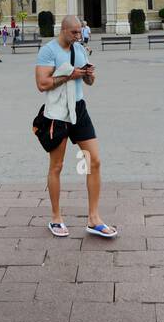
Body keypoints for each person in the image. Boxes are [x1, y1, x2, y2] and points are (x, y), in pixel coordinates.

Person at [35, 16, 114, 239]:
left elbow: (89, 83)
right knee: (57, 166)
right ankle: (56, 217)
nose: (79, 37)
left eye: (80, 32)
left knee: (94, 161)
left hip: (78, 109)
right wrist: (69, 75)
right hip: (58, 113)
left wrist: (88, 75)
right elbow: (42, 84)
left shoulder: (79, 49)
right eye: (75, 33)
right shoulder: (48, 51)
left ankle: (94, 219)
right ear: (64, 30)